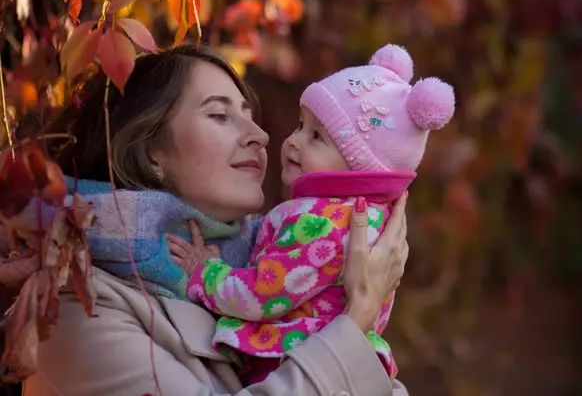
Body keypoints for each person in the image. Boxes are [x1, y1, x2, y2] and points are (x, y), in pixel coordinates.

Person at [17, 44, 411, 396]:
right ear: (151, 150)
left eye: (250, 116)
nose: (259, 135)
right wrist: (355, 320)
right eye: (220, 115)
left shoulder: (279, 272)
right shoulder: (79, 310)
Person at [167, 44, 455, 385]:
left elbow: (263, 293)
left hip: (289, 359)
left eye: (316, 137)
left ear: (357, 167)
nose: (291, 142)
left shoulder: (321, 225)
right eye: (300, 126)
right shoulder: (363, 218)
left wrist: (206, 272)